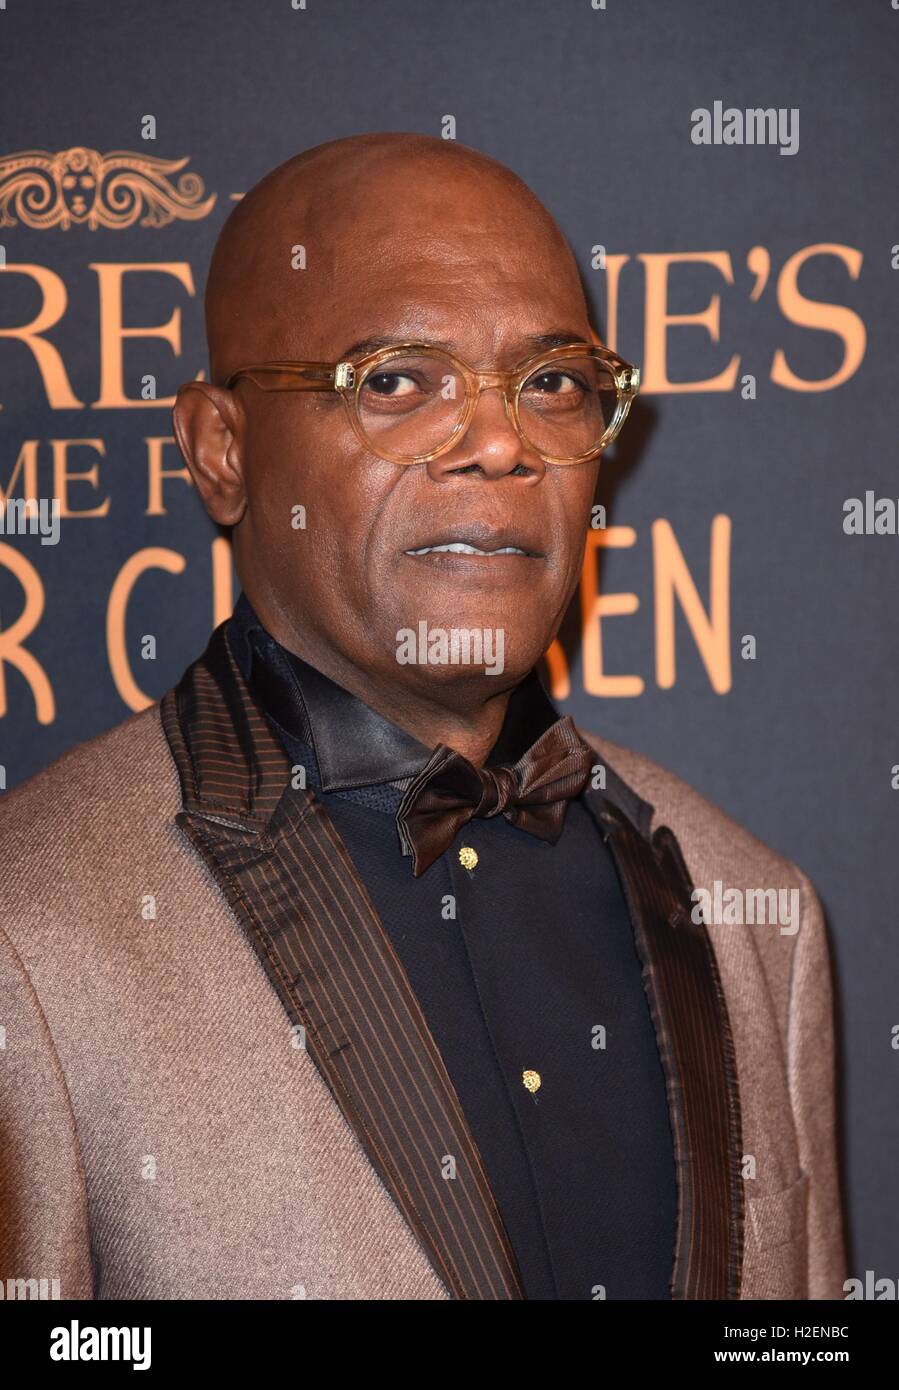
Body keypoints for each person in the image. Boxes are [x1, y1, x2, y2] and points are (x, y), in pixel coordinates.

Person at [0, 133, 845, 1300]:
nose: (501, 440)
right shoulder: (29, 931)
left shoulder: (753, 911)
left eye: (551, 382)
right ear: (221, 450)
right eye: (397, 378)